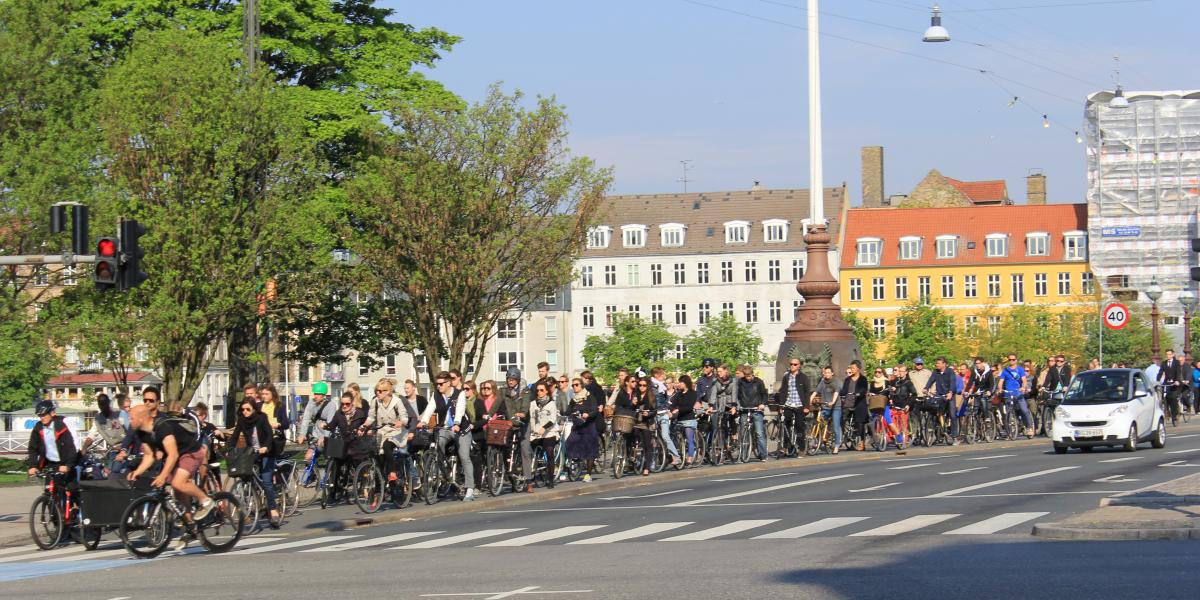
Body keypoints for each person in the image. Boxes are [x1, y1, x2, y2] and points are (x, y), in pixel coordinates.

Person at [126, 397, 213, 550]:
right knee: (179, 493)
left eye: (131, 417)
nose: (129, 421)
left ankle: (206, 501)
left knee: (178, 482)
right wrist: (137, 472)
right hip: (177, 455)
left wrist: (162, 475)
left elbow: (172, 454)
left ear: (141, 418)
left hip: (191, 452)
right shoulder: (142, 433)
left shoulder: (162, 427)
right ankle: (191, 527)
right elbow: (149, 456)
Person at [228, 398, 280, 528]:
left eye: (248, 409)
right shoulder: (242, 420)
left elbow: (269, 435)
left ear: (254, 409)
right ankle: (253, 506)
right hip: (253, 452)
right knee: (247, 476)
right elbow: (235, 436)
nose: (244, 412)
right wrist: (229, 449)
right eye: (242, 409)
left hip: (267, 452)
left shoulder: (262, 418)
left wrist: (265, 447)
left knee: (267, 482)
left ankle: (273, 509)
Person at [366, 378, 418, 488]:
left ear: (388, 391)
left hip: (397, 432)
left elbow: (407, 417)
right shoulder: (375, 401)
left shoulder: (398, 400)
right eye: (376, 391)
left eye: (380, 391)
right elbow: (371, 418)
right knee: (378, 455)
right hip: (382, 432)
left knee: (391, 448)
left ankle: (400, 474)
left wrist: (404, 425)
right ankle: (381, 484)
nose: (377, 393)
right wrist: (364, 427)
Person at [322, 392, 368, 504]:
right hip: (344, 444)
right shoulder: (339, 414)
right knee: (336, 463)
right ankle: (334, 492)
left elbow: (367, 425)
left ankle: (364, 486)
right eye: (342, 404)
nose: (344, 406)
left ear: (352, 403)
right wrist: (325, 426)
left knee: (358, 463)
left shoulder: (360, 413)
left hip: (357, 444)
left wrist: (364, 430)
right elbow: (332, 425)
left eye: (347, 404)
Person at [26, 400, 78, 480]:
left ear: (52, 413)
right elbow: (33, 449)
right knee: (49, 488)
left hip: (64, 463)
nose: (42, 418)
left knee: (70, 489)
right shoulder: (38, 427)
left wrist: (68, 465)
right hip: (51, 464)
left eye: (44, 415)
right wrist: (33, 466)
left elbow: (70, 447)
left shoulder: (60, 426)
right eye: (40, 416)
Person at [564, 378, 599, 481]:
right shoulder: (574, 400)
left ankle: (588, 474)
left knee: (589, 450)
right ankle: (573, 466)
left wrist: (588, 414)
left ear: (582, 386)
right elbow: (568, 411)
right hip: (577, 427)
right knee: (569, 443)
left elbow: (594, 409)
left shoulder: (589, 397)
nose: (574, 387)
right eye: (573, 385)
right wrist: (560, 412)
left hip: (588, 426)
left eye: (576, 385)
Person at [528, 381, 561, 487]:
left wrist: (544, 428)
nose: (539, 392)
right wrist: (533, 430)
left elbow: (552, 420)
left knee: (549, 451)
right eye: (537, 390)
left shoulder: (551, 404)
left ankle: (550, 479)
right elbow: (532, 418)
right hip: (536, 432)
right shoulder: (533, 404)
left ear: (546, 391)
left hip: (549, 432)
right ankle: (531, 472)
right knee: (528, 449)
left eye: (542, 390)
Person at [82, 393, 126, 472]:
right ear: (99, 405)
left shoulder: (119, 414)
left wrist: (124, 447)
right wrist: (83, 449)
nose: (103, 406)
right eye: (101, 404)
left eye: (105, 403)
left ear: (108, 403)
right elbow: (91, 436)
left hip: (126, 448)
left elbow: (130, 431)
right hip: (113, 451)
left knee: (116, 470)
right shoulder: (97, 419)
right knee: (105, 471)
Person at [777, 358, 811, 456]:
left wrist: (806, 406)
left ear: (799, 365)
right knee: (785, 425)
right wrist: (781, 405)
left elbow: (806, 392)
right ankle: (784, 447)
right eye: (791, 364)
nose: (793, 366)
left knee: (799, 426)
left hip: (799, 405)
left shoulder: (803, 377)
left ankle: (801, 448)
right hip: (788, 404)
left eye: (795, 364)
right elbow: (783, 391)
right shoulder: (786, 377)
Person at [735, 365, 769, 461]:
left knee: (759, 433)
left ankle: (763, 455)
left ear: (752, 374)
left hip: (756, 409)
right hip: (744, 409)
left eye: (749, 376)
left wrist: (762, 404)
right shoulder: (740, 382)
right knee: (743, 432)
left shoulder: (758, 382)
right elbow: (737, 395)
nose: (748, 378)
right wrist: (738, 405)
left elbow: (764, 395)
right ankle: (744, 455)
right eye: (746, 376)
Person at [706, 364, 739, 461]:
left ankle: (733, 439)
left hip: (729, 403)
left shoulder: (733, 380)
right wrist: (711, 406)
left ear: (726, 371)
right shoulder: (715, 381)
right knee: (720, 425)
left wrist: (733, 406)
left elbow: (734, 393)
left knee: (731, 420)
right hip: (719, 403)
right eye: (717, 371)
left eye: (720, 371)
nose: (718, 373)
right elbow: (713, 393)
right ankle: (723, 448)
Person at [650, 367, 681, 468]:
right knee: (653, 438)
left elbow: (664, 400)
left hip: (663, 414)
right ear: (656, 375)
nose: (664, 376)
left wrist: (668, 409)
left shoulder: (661, 385)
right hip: (655, 414)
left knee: (665, 436)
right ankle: (653, 461)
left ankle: (676, 456)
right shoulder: (652, 385)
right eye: (662, 374)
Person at [923, 357, 957, 445]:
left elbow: (952, 382)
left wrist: (950, 392)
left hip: (949, 395)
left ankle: (954, 436)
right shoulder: (935, 372)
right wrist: (926, 388)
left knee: (953, 415)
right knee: (936, 412)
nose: (936, 365)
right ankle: (938, 433)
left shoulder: (950, 371)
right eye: (936, 363)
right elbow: (931, 380)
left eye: (938, 363)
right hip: (940, 395)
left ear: (944, 364)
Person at [298, 381, 338, 455]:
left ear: (323, 395)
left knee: (329, 460)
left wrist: (324, 437)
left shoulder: (331, 405)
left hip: (327, 436)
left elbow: (330, 423)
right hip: (315, 435)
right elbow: (306, 419)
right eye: (315, 393)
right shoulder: (311, 403)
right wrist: (302, 434)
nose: (315, 396)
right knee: (308, 457)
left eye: (318, 394)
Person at [998, 354, 1033, 437]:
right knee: (1007, 412)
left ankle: (1029, 427)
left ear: (1016, 360)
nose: (1011, 361)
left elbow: (1024, 380)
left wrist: (1023, 387)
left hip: (1018, 393)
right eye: (1010, 359)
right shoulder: (1005, 371)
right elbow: (1001, 381)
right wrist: (1000, 389)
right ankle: (1010, 429)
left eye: (1013, 359)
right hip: (1008, 393)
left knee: (1024, 410)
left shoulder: (1020, 370)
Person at [810, 366, 841, 453]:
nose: (826, 374)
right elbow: (816, 391)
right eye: (825, 372)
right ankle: (819, 440)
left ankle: (836, 445)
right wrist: (810, 399)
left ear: (832, 373)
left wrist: (832, 402)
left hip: (835, 407)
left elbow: (836, 392)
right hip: (825, 406)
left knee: (836, 426)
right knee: (819, 421)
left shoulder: (836, 382)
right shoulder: (822, 381)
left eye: (828, 372)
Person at [670, 375, 699, 465]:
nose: (679, 384)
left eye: (680, 382)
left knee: (689, 437)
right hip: (679, 419)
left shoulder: (693, 393)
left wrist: (679, 409)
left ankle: (690, 456)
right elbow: (673, 404)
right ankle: (677, 455)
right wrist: (671, 410)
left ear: (685, 383)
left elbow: (690, 406)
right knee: (675, 435)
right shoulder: (678, 394)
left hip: (689, 419)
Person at [257, 383, 291, 460]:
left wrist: (278, 424)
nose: (264, 396)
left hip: (275, 438)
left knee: (268, 459)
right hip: (260, 438)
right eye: (262, 394)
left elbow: (286, 424)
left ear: (273, 394)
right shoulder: (258, 406)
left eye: (266, 394)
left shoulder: (279, 406)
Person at [841, 362, 868, 451]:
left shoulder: (863, 379)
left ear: (858, 369)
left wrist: (859, 394)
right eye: (851, 368)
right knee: (843, 419)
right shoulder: (847, 379)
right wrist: (839, 394)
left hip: (859, 403)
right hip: (848, 403)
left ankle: (861, 442)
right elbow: (844, 390)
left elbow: (864, 389)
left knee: (860, 423)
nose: (851, 369)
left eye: (853, 368)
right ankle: (845, 438)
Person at [1158, 349, 1185, 425]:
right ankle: (1166, 412)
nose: (1168, 356)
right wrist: (1157, 380)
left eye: (1169, 354)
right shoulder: (1164, 363)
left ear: (1173, 355)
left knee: (1173, 398)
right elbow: (1160, 372)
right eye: (1167, 354)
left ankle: (1174, 416)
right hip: (1166, 383)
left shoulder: (1176, 363)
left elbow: (1178, 372)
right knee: (1164, 398)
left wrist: (1177, 381)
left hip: (1175, 383)